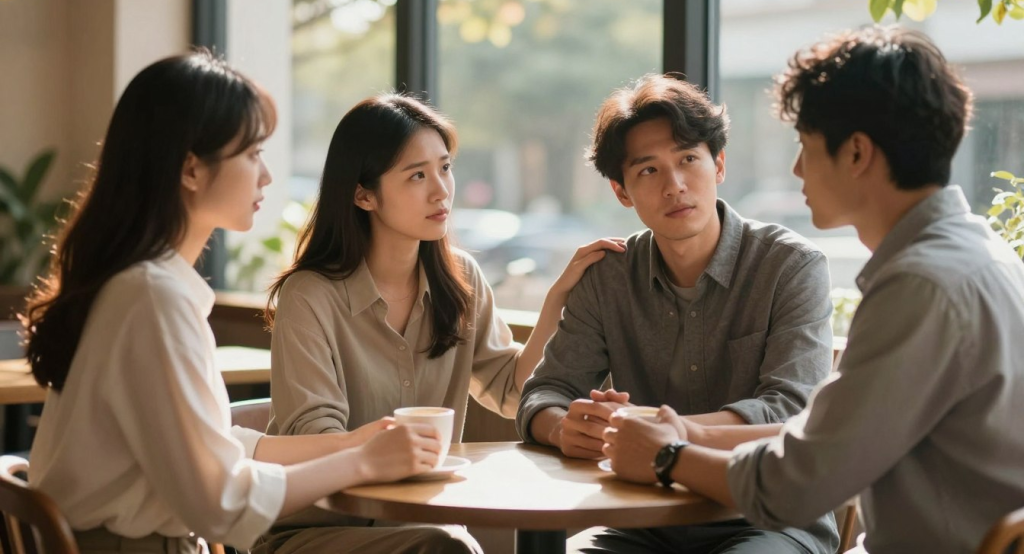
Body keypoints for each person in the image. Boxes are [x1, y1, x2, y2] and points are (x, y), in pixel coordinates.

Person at [602, 25, 1024, 554]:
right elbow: (827, 438)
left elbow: (792, 488)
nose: (797, 168)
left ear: (856, 153)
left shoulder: (921, 286)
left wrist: (666, 458)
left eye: (805, 146)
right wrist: (688, 435)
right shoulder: (978, 252)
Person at [23, 52, 446, 554]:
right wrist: (364, 462)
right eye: (252, 154)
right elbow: (220, 501)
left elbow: (212, 448)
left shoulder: (138, 287)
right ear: (191, 169)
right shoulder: (152, 299)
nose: (265, 176)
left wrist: (353, 441)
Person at [261, 93, 623, 553]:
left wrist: (557, 301)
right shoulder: (310, 295)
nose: (441, 190)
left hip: (419, 526)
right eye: (417, 175)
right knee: (448, 546)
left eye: (445, 167)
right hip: (314, 532)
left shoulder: (460, 279)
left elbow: (512, 390)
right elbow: (316, 438)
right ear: (363, 194)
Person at [515, 73, 838, 553]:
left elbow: (792, 410)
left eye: (688, 159)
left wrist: (658, 434)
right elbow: (543, 393)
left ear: (719, 164)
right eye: (648, 170)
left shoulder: (790, 266)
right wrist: (564, 428)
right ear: (622, 191)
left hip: (767, 519)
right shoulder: (608, 276)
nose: (675, 186)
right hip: (641, 523)